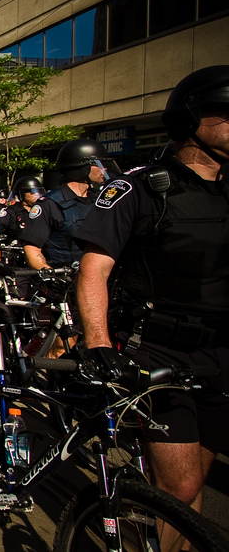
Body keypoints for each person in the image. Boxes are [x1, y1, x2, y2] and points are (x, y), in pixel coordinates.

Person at [75, 66, 229, 527]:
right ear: (191, 119)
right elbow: (94, 270)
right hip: (159, 349)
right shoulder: (138, 188)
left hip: (220, 350)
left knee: (194, 484)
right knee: (179, 487)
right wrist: (99, 343)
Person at [21, 139, 117, 270]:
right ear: (82, 168)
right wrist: (49, 272)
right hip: (67, 277)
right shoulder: (50, 204)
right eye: (98, 164)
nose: (104, 169)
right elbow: (32, 248)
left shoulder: (100, 200)